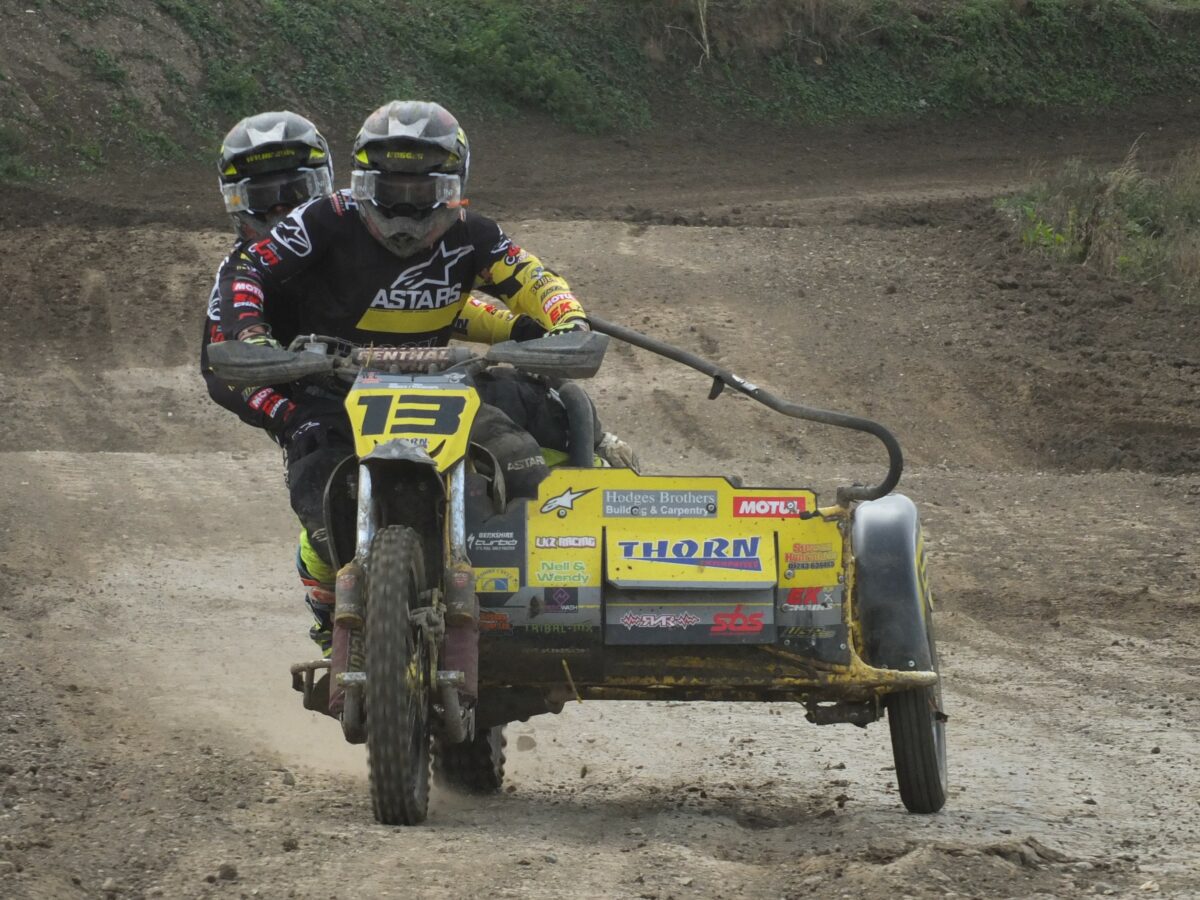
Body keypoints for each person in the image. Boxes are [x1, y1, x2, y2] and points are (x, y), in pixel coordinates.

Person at [208, 100, 636, 659]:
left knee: (526, 448)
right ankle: (332, 614)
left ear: (454, 187)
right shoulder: (322, 221)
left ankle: (566, 573)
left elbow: (533, 278)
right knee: (319, 492)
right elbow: (249, 270)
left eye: (421, 191)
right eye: (389, 190)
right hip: (335, 391)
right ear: (359, 185)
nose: (404, 208)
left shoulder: (475, 234)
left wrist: (565, 324)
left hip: (443, 384)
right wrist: (253, 339)